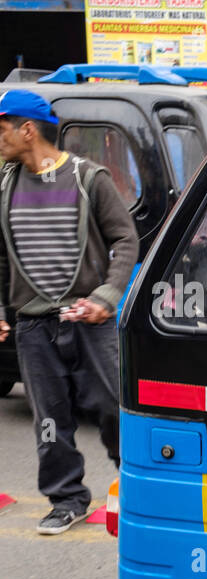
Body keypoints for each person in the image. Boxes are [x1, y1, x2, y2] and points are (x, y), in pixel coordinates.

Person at [0, 90, 138, 534]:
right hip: (34, 325)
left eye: (2, 130)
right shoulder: (4, 185)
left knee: (115, 408)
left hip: (90, 321)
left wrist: (106, 296)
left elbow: (125, 240)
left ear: (27, 129)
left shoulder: (87, 178)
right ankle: (66, 499)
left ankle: (135, 484)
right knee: (49, 420)